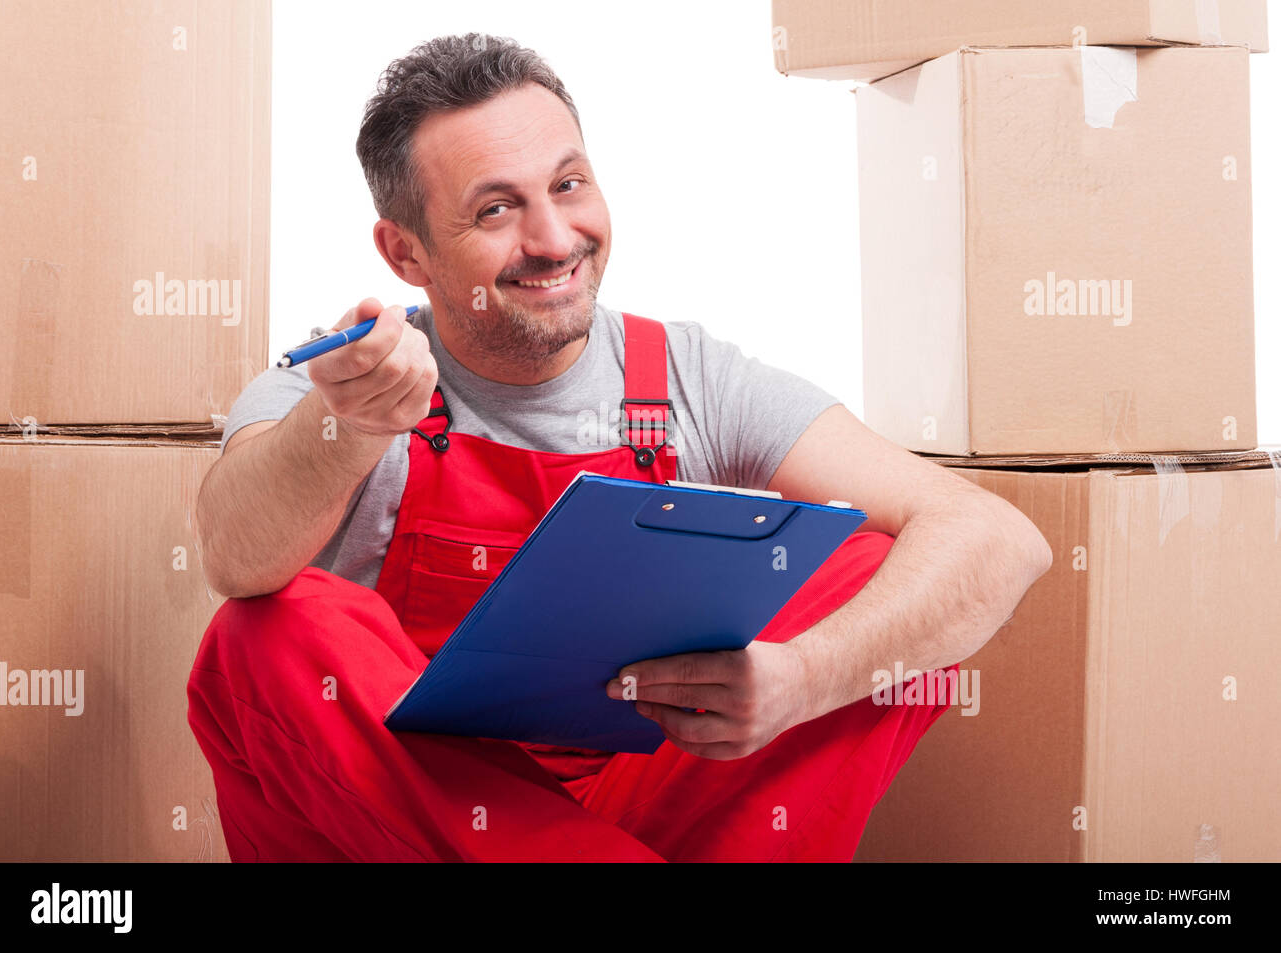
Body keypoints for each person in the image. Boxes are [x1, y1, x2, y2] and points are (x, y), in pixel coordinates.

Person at [187, 33, 1052, 862]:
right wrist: (355, 425)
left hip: (647, 807)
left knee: (870, 568)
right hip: (413, 822)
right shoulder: (343, 388)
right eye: (496, 209)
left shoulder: (692, 378)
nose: (554, 240)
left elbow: (998, 539)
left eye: (567, 185)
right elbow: (233, 553)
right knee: (264, 630)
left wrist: (800, 678)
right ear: (403, 252)